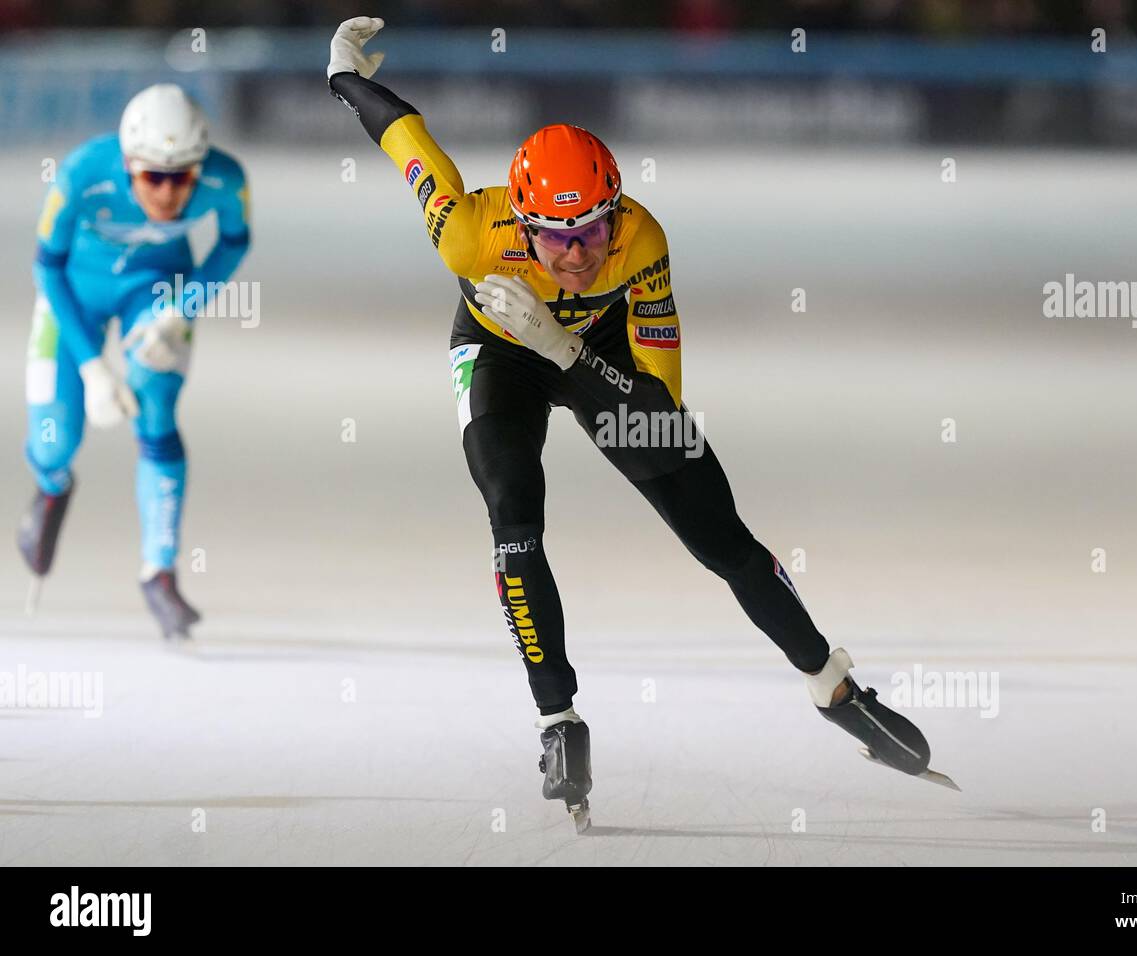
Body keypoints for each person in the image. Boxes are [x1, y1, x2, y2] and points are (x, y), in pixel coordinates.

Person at [326, 17, 953, 829]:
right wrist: (345, 75)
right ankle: (558, 721)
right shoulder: (471, 234)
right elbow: (408, 143)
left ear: (616, 215)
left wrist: (567, 348)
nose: (578, 254)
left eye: (593, 230)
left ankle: (831, 684)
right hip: (499, 349)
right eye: (557, 238)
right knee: (512, 512)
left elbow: (659, 410)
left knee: (716, 532)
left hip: (596, 350)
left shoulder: (642, 241)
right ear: (523, 226)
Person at [19, 83, 252, 640]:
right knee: (55, 438)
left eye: (183, 178)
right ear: (126, 164)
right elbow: (47, 268)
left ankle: (160, 571)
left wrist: (180, 310)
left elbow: (233, 244)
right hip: (73, 295)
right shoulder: (80, 173)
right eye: (153, 177)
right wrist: (92, 368)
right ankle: (52, 484)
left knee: (155, 397)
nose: (170, 193)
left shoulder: (226, 177)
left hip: (156, 291)